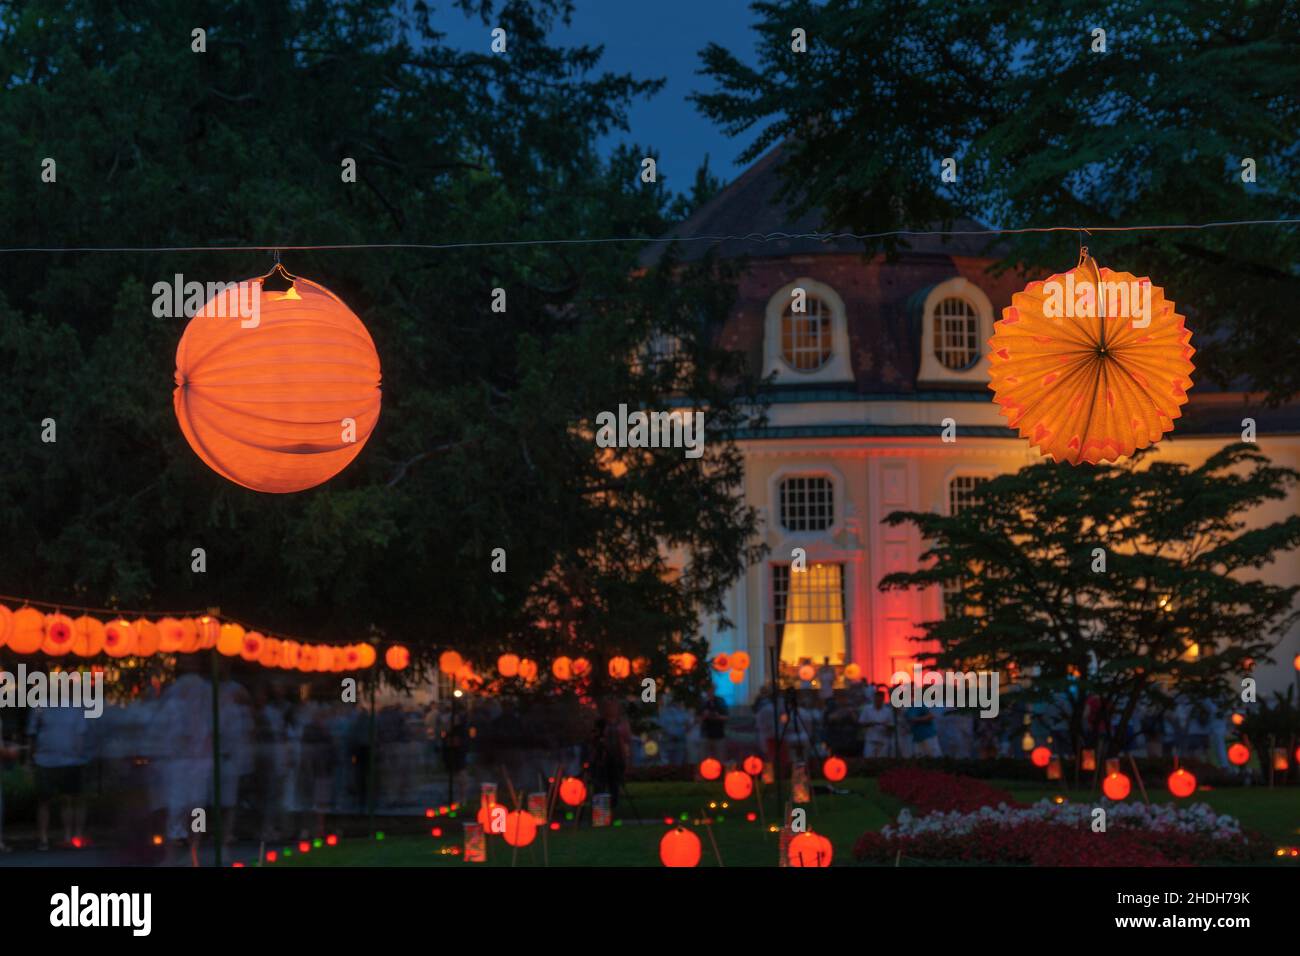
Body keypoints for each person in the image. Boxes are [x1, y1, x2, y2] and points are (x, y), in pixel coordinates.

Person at [29, 702, 92, 850]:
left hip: (71, 760)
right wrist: (30, 758)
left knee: (70, 799)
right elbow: (31, 733)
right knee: (44, 800)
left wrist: (82, 756)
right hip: (45, 760)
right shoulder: (39, 706)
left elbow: (81, 734)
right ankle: (43, 838)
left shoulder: (76, 707)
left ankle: (71, 837)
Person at [859, 688, 894, 758]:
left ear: (883, 699)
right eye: (877, 699)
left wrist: (885, 725)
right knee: (868, 760)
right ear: (874, 699)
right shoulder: (867, 709)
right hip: (870, 740)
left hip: (883, 740)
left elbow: (892, 725)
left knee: (883, 761)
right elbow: (861, 723)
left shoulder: (888, 711)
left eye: (880, 699)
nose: (878, 700)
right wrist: (870, 724)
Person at [698, 690, 729, 759]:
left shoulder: (720, 701)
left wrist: (717, 716)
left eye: (711, 689)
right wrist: (704, 716)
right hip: (705, 735)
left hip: (719, 735)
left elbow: (726, 717)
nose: (709, 692)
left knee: (720, 758)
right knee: (705, 760)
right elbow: (697, 719)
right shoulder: (702, 702)